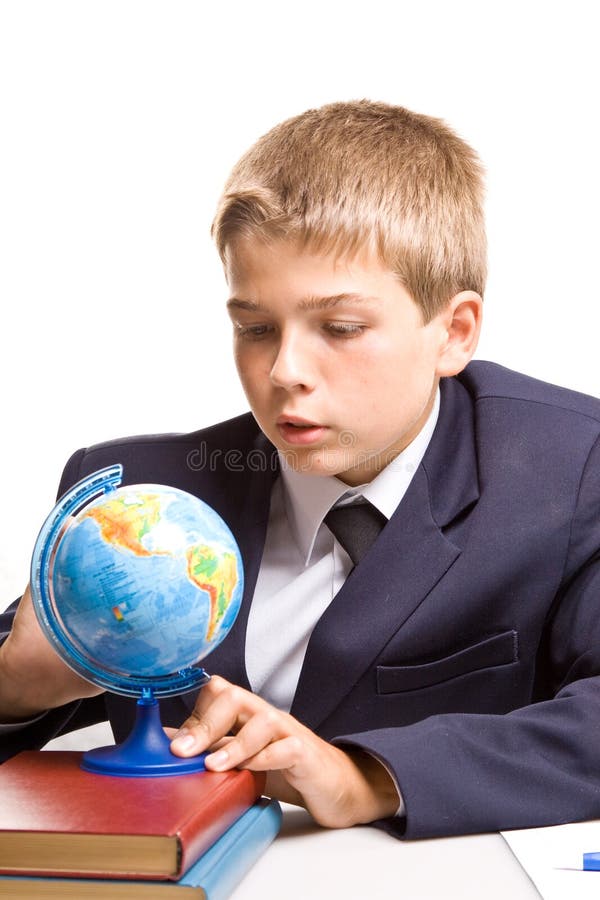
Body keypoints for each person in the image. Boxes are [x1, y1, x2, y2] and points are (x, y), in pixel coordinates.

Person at [1, 100, 600, 840]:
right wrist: (15, 688)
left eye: (340, 328)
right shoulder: (141, 507)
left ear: (454, 332)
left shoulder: (569, 468)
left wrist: (367, 777)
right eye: (254, 327)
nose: (284, 371)